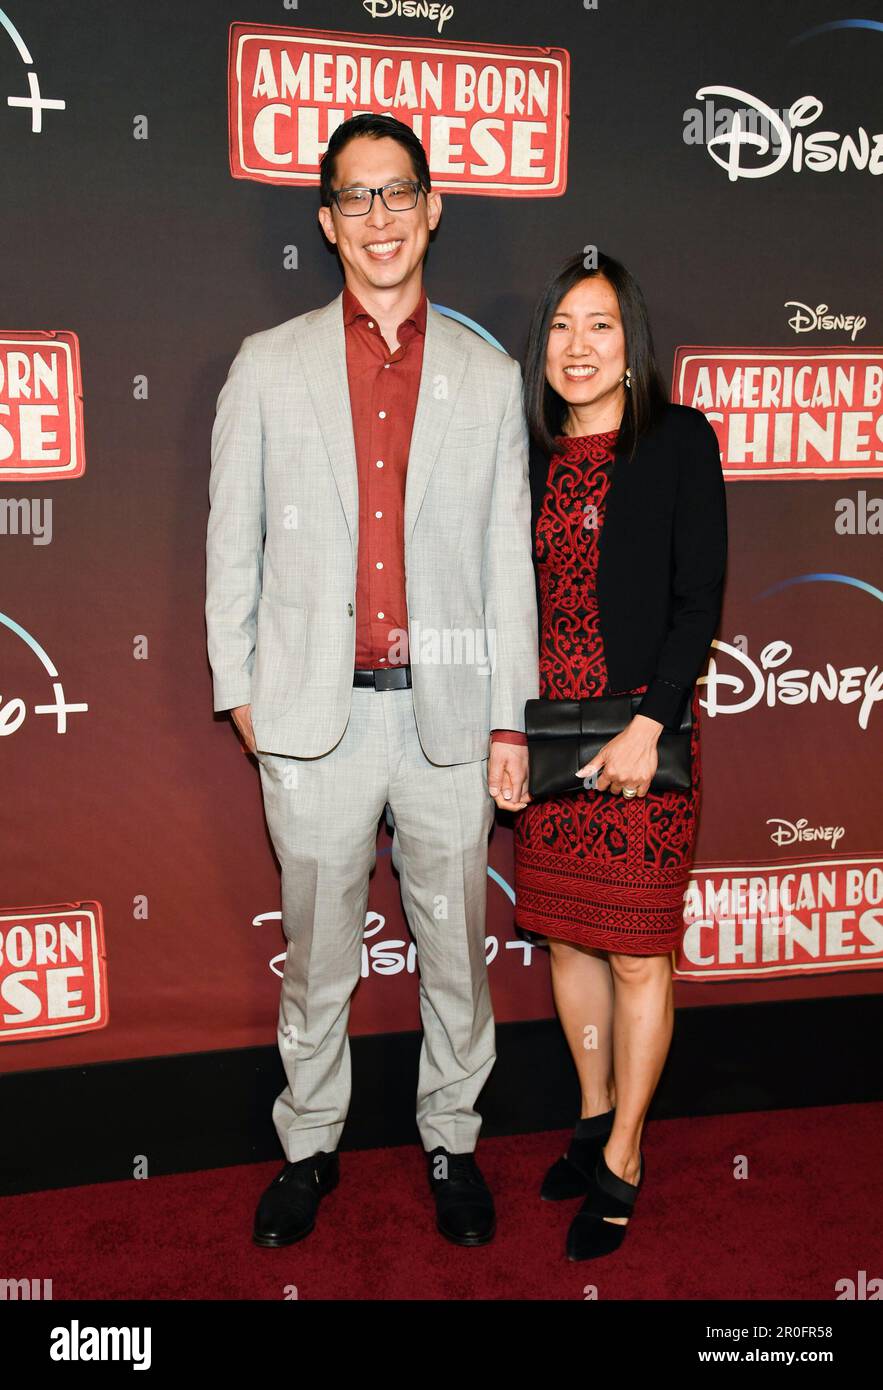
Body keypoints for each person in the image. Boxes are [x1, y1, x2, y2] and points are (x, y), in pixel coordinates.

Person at [205, 113, 538, 1248]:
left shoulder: (491, 381)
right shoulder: (268, 363)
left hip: (448, 723)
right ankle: (309, 1144)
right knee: (320, 962)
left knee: (455, 958)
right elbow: (230, 541)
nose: (381, 217)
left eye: (400, 194)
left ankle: (452, 1135)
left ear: (433, 208)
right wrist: (237, 687)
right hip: (313, 723)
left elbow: (507, 559)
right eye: (357, 197)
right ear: (327, 221)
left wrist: (510, 720)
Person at [510, 251, 728, 1260]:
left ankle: (626, 1157)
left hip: (643, 737)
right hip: (552, 736)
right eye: (560, 326)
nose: (578, 347)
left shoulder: (678, 440)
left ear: (631, 345)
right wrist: (505, 731)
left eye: (599, 326)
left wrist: (651, 724)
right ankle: (593, 1113)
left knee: (638, 952)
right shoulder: (530, 453)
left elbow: (698, 600)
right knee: (566, 939)